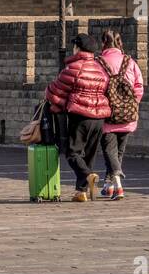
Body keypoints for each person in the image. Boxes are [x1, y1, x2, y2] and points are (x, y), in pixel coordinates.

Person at [45, 33, 110, 202]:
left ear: (78, 48)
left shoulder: (73, 68)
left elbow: (56, 91)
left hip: (80, 116)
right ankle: (81, 192)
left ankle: (88, 176)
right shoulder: (100, 68)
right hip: (99, 117)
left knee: (72, 153)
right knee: (89, 154)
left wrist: (50, 94)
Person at [97, 29, 144, 201]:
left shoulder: (99, 62)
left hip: (108, 114)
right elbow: (139, 85)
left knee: (110, 151)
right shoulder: (129, 61)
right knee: (119, 152)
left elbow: (96, 88)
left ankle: (118, 185)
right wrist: (133, 103)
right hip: (128, 114)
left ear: (103, 43)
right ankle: (107, 186)